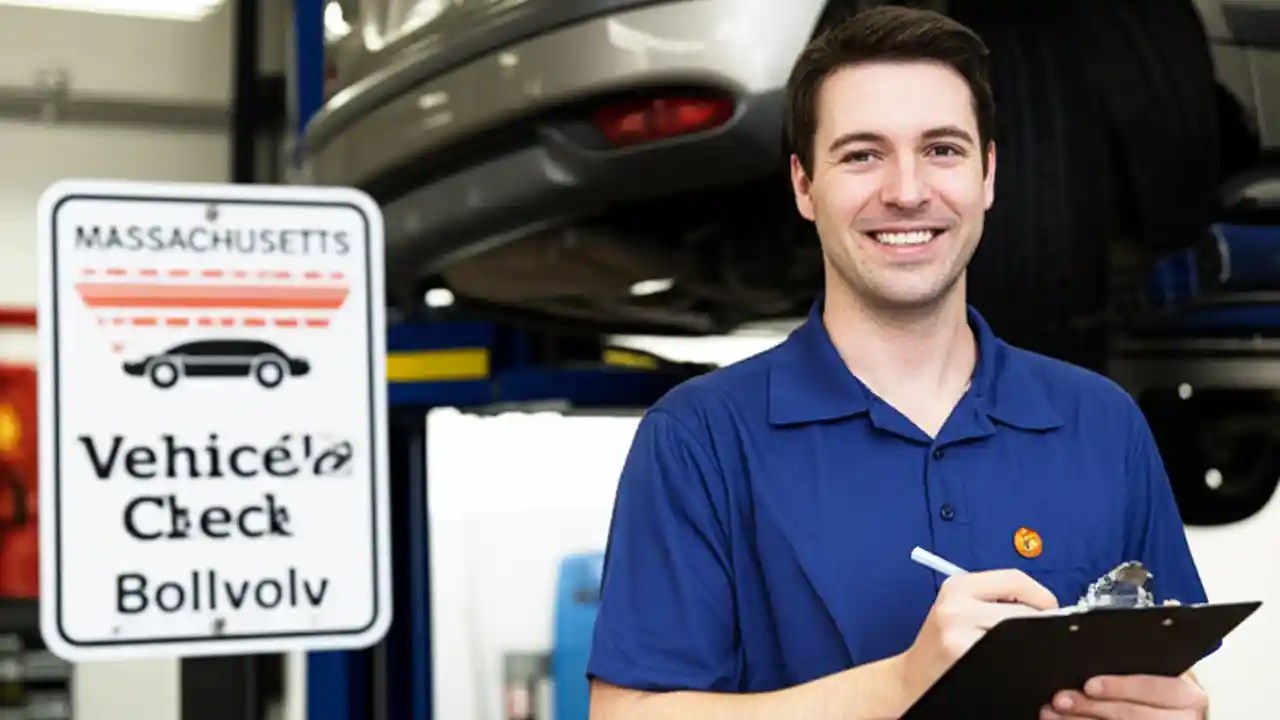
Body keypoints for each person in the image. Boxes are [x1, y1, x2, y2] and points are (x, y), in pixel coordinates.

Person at [585, 6, 1215, 720]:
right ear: (802, 185)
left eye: (942, 150)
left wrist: (1170, 709)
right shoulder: (701, 439)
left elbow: (1172, 678)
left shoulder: (1101, 424)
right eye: (862, 154)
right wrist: (900, 684)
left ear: (989, 175)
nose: (907, 190)